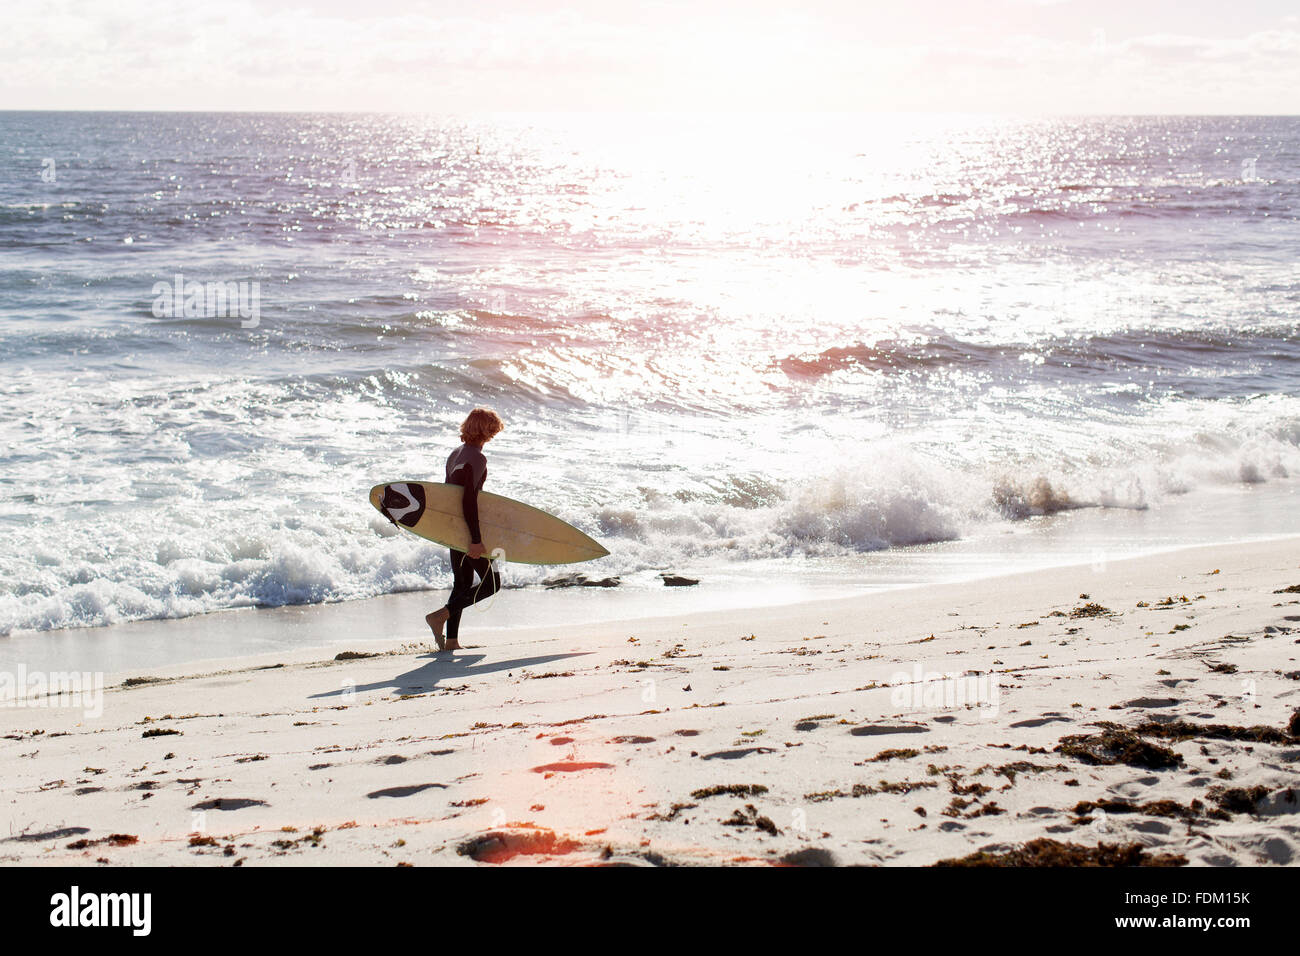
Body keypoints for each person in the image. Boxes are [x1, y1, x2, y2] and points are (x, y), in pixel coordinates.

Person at [425, 407, 504, 651]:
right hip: (466, 530)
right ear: (486, 430)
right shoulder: (477, 458)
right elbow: (468, 500)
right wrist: (476, 539)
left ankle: (451, 641)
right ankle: (440, 616)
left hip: (452, 528)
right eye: (493, 430)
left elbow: (449, 495)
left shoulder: (455, 453)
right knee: (491, 583)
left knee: (462, 583)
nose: (494, 435)